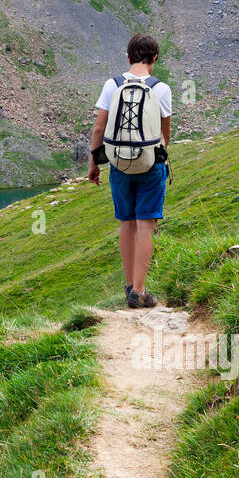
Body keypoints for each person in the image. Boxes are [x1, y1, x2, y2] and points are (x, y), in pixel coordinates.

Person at [87, 33, 173, 308]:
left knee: (127, 223)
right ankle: (139, 290)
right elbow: (164, 133)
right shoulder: (161, 88)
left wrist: (94, 163)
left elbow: (99, 128)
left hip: (119, 163)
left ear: (128, 56)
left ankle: (127, 288)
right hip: (150, 164)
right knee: (146, 224)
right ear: (154, 59)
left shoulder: (112, 85)